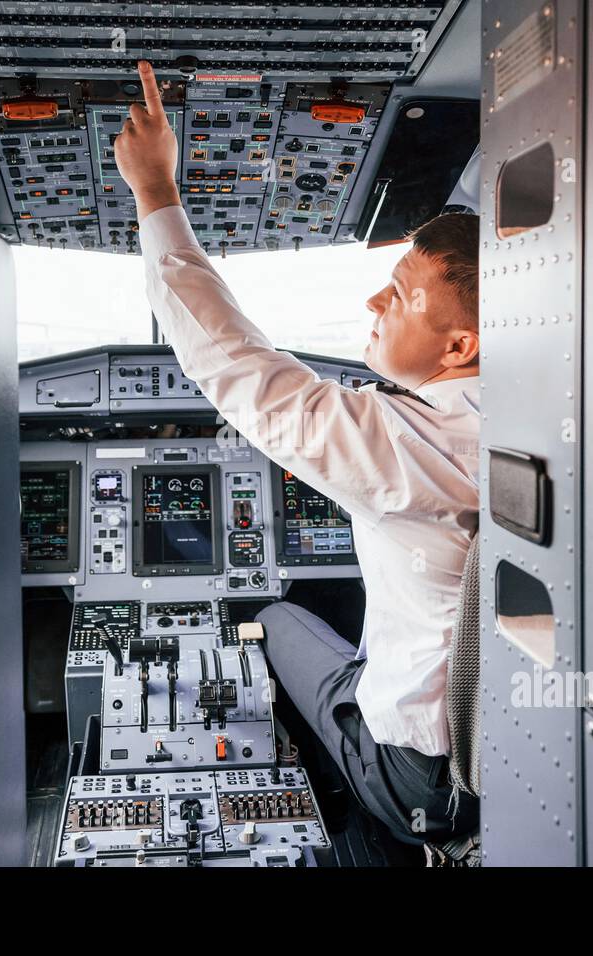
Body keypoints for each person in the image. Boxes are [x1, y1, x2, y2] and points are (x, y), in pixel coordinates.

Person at [116, 61, 480, 843]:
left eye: (400, 294)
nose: (375, 301)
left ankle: (332, 805)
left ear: (460, 345)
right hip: (502, 748)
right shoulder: (541, 424)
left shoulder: (411, 446)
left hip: (420, 777)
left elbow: (236, 368)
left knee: (277, 615)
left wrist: (155, 193)